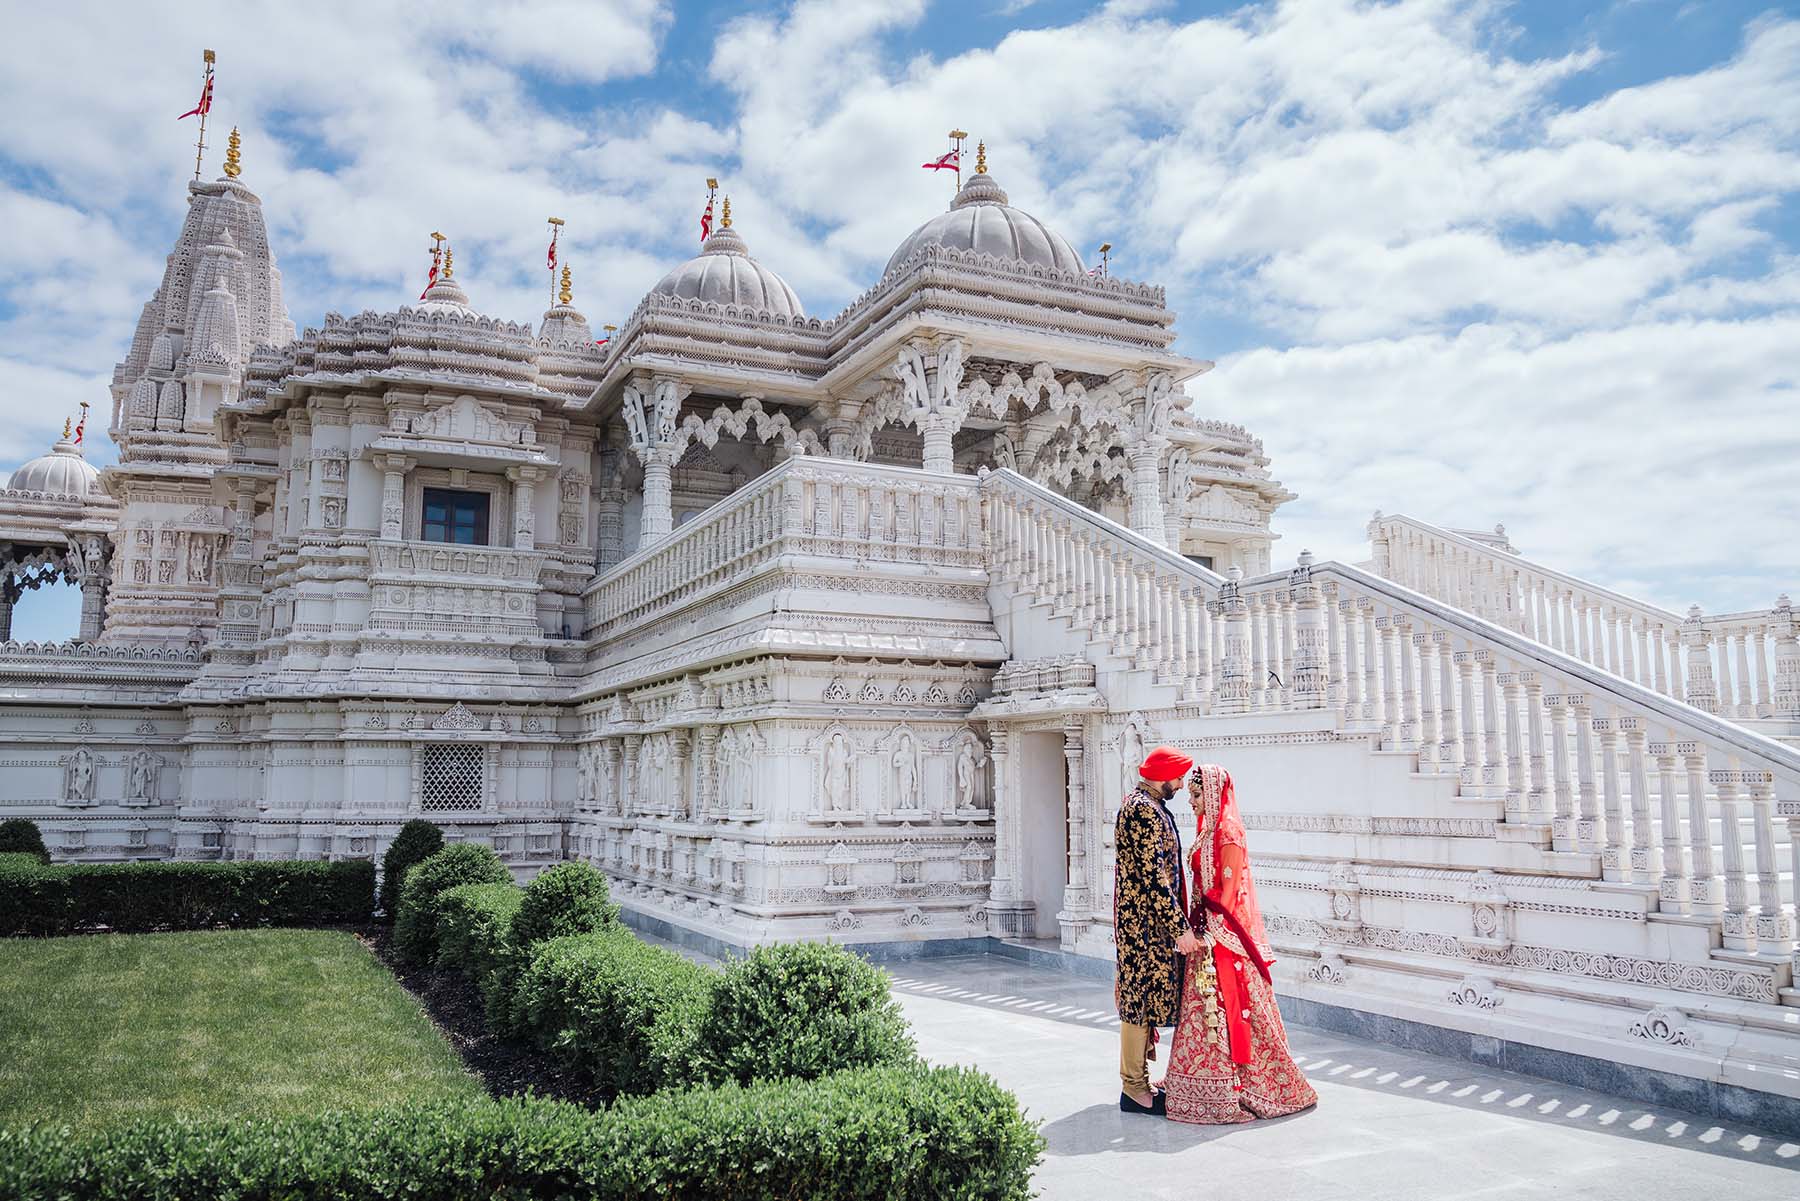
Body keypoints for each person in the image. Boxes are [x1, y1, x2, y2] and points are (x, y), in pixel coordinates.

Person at [1163, 763, 1318, 1124]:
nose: (1192, 802)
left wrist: (1209, 934)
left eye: (1197, 795)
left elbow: (1230, 893)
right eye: (1191, 795)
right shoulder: (1207, 830)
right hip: (1204, 932)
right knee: (1202, 1013)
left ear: (1213, 794)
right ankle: (1197, 1086)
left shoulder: (1228, 832)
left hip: (1223, 937)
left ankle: (1243, 1087)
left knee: (1232, 1010)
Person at [1114, 745, 1204, 1115]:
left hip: (1148, 924)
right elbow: (1154, 877)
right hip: (1143, 927)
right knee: (1138, 1002)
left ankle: (1139, 1082)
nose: (1181, 785)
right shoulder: (1142, 810)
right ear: (1163, 775)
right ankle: (1133, 1089)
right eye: (1178, 778)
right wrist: (1179, 928)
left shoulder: (1149, 806)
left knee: (1144, 1000)